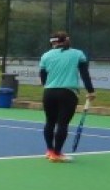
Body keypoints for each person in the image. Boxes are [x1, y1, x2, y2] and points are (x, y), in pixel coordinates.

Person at [39, 31, 95, 163]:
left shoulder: (46, 55)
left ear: (54, 42)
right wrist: (91, 91)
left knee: (50, 122)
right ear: (66, 40)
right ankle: (57, 154)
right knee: (62, 123)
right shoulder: (78, 54)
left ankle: (50, 151)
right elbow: (84, 74)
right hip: (68, 93)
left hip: (49, 93)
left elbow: (43, 76)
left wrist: (48, 85)